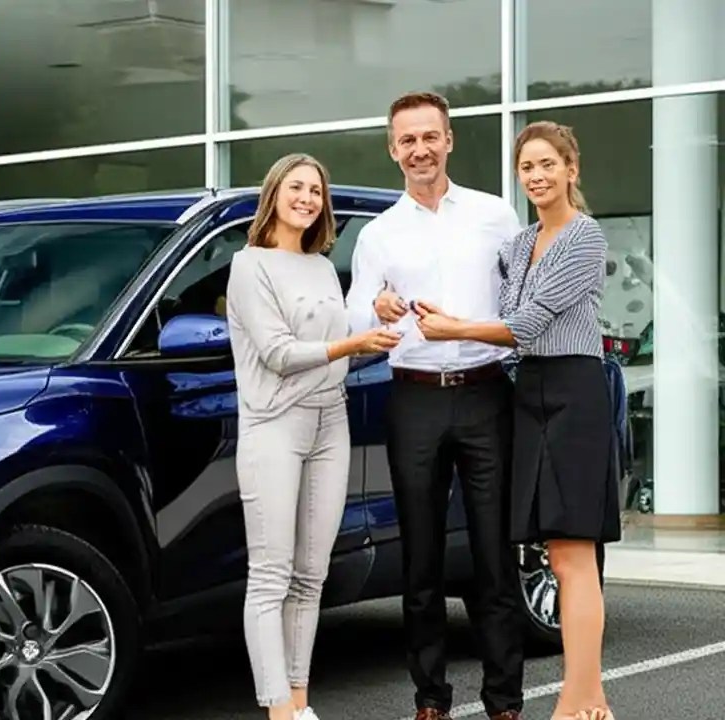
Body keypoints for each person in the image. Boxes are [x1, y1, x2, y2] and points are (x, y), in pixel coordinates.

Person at [414, 120, 620, 720]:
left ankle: (579, 698)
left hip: (574, 390)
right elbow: (509, 314)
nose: (536, 176)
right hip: (528, 392)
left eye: (547, 165)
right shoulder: (517, 242)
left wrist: (454, 329)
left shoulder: (584, 237)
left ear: (571, 169)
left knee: (575, 552)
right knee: (556, 555)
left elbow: (523, 324)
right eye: (527, 168)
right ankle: (593, 699)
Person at [344, 92, 526, 720]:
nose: (419, 149)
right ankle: (431, 699)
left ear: (449, 140)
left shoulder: (495, 215)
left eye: (430, 136)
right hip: (414, 398)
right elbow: (354, 313)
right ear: (393, 150)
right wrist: (380, 309)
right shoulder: (377, 234)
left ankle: (504, 700)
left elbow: (522, 302)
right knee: (419, 558)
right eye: (407, 140)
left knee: (493, 554)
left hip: (484, 393)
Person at [227, 153, 401, 720]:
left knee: (311, 574)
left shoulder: (324, 268)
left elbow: (340, 343)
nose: (307, 198)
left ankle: (300, 703)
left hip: (332, 419)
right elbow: (277, 354)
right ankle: (277, 709)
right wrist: (354, 345)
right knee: (271, 575)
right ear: (274, 194)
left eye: (316, 191)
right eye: (297, 187)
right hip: (276, 424)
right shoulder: (249, 266)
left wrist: (372, 319)